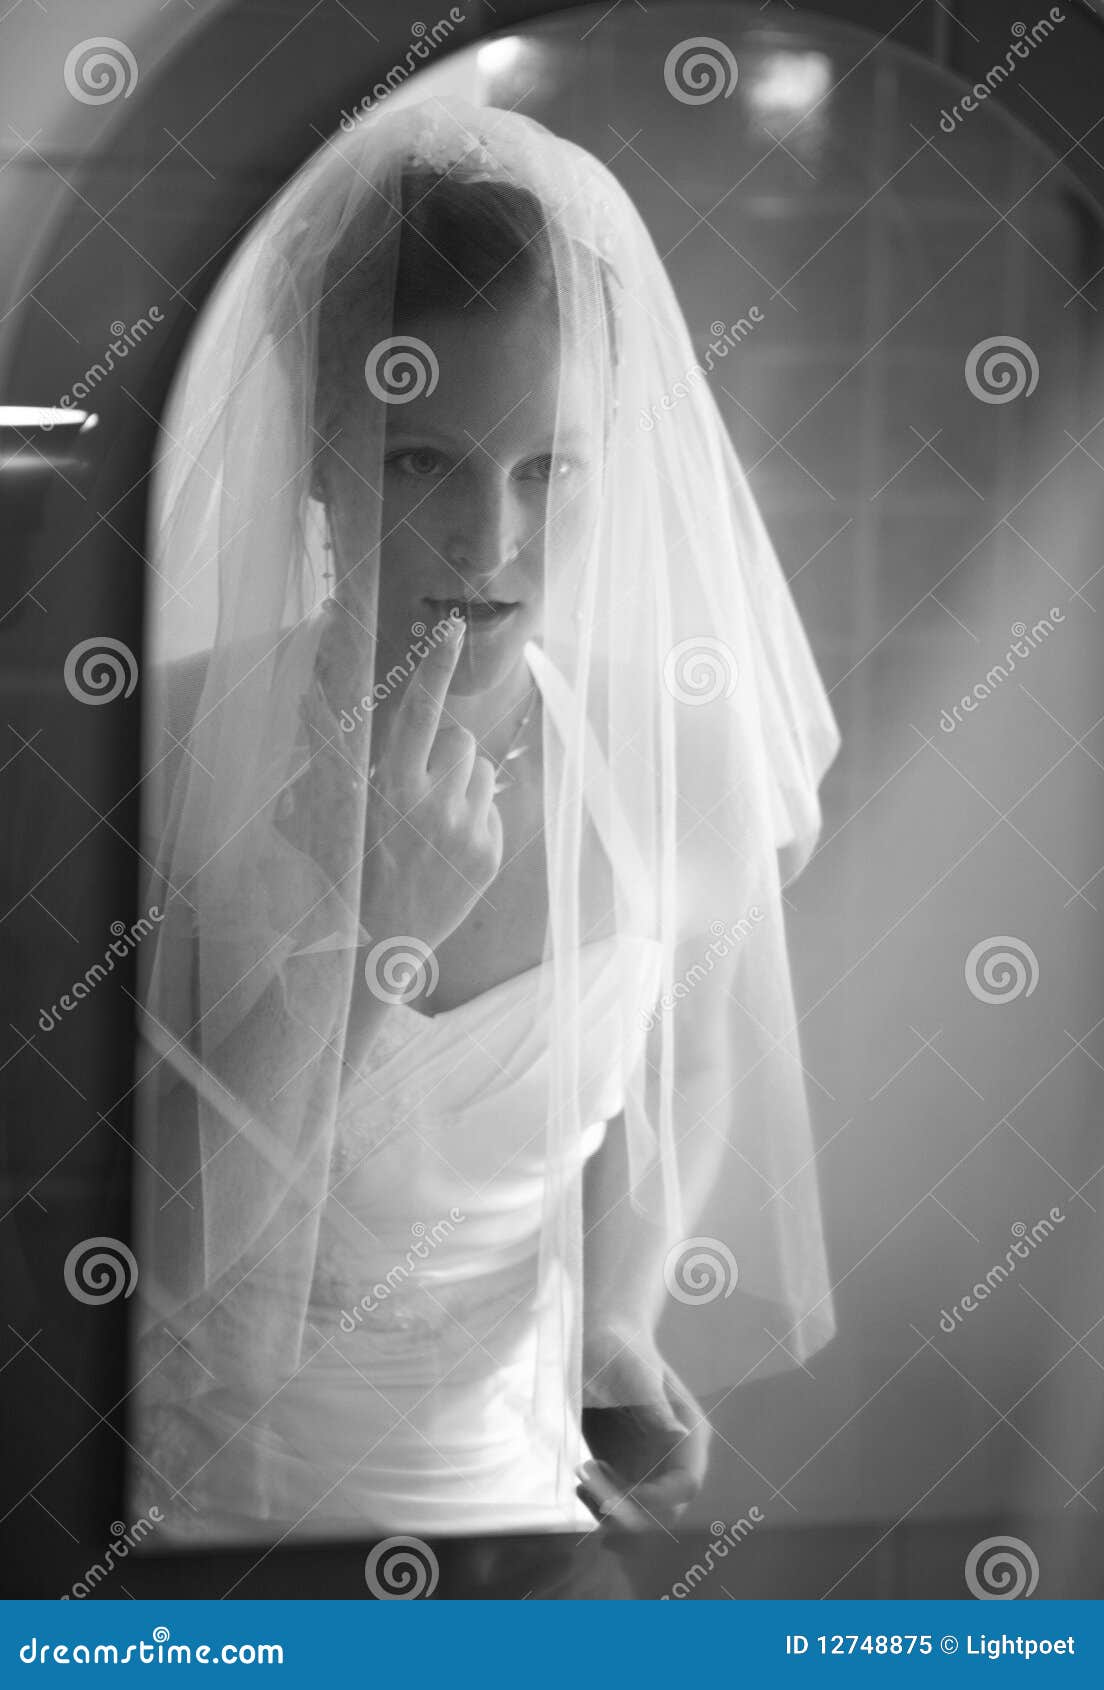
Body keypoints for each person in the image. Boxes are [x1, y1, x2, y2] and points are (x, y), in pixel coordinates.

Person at [128, 96, 841, 1547]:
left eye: (547, 469)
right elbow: (159, 1257)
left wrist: (620, 1322)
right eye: (420, 459)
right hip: (195, 1548)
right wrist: (366, 935)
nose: (493, 541)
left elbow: (681, 1064)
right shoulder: (163, 744)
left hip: (514, 1527)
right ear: (320, 457)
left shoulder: (676, 764)